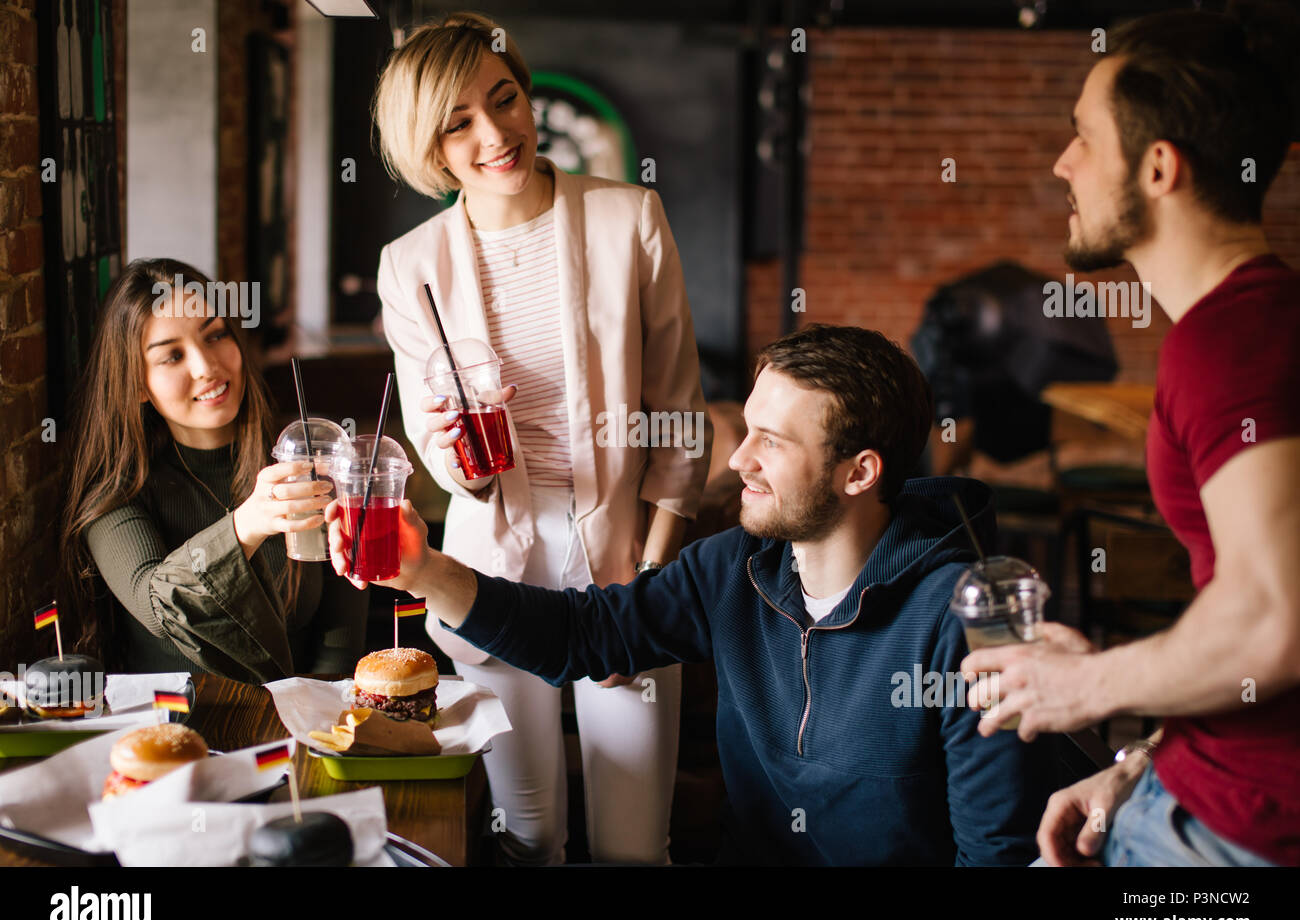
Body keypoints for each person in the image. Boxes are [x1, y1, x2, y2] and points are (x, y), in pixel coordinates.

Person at [326, 324, 1055, 865]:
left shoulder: (971, 620)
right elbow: (579, 636)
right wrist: (422, 570)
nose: (737, 459)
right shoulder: (734, 568)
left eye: (770, 441)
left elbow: (998, 852)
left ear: (859, 472)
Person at [960, 2, 1300, 867]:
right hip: (1194, 791)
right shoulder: (1251, 326)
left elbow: (1271, 623)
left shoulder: (1229, 343)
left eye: (1083, 136)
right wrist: (1141, 763)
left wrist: (1083, 684)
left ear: (1157, 167)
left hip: (1235, 838)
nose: (1060, 163)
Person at [370, 13, 711, 865]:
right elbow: (437, 452)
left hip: (625, 561)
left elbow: (677, 409)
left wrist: (652, 569)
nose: (496, 133)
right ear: (431, 146)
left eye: (505, 98)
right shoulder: (410, 265)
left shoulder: (628, 218)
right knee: (530, 839)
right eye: (459, 122)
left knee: (636, 846)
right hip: (488, 575)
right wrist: (460, 453)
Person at [60, 258, 367, 681]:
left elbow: (340, 638)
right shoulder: (118, 492)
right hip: (177, 734)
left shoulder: (304, 466)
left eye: (216, 335)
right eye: (171, 356)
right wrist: (246, 526)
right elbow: (158, 606)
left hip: (300, 730)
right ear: (136, 383)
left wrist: (311, 722)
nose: (206, 367)